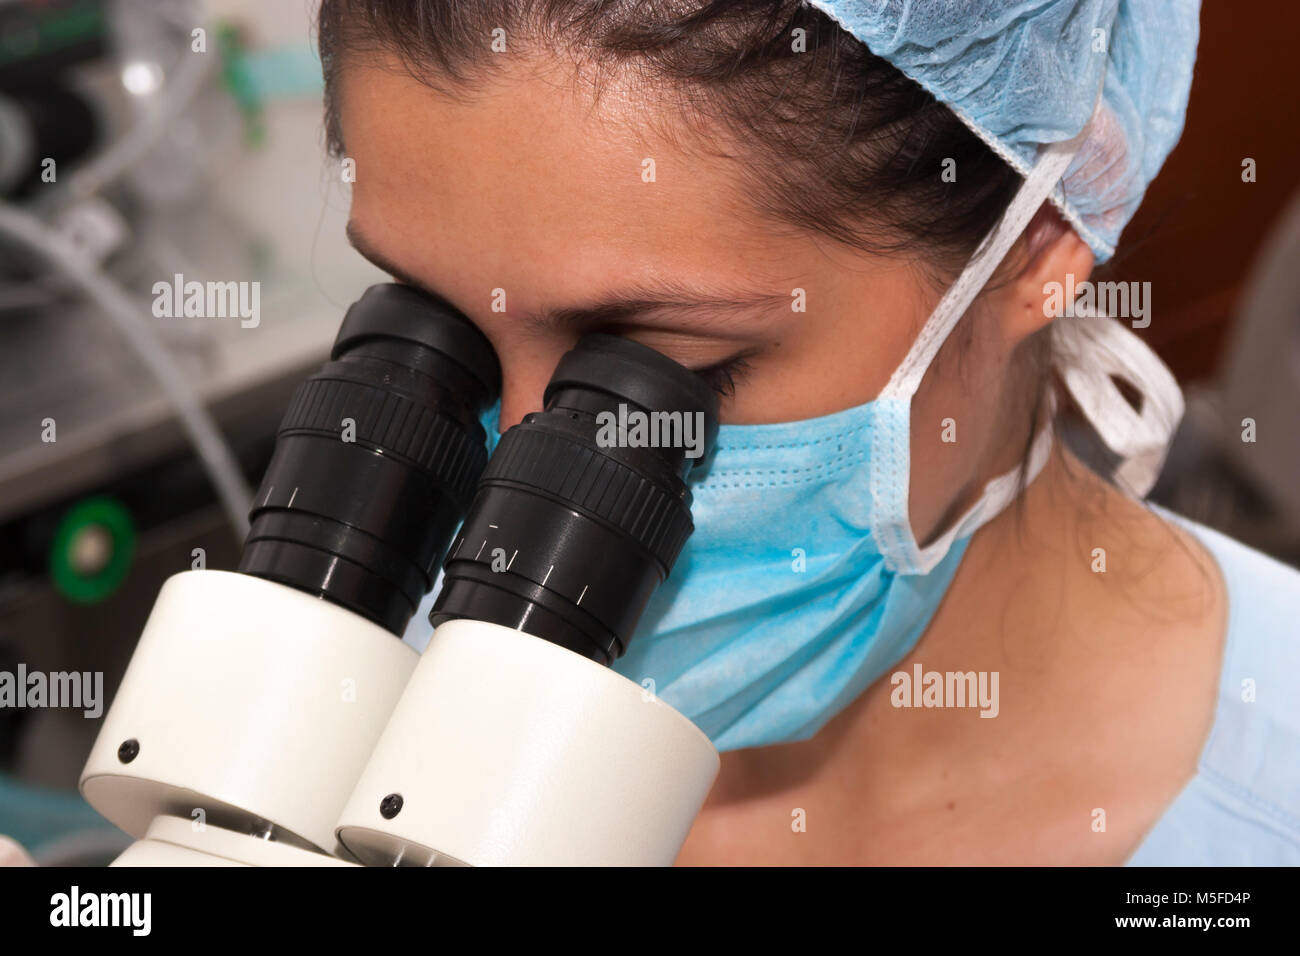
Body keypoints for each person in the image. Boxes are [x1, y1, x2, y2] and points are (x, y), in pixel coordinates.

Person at [317, 0, 1300, 864]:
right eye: (437, 328)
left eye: (664, 376)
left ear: (1038, 239)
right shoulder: (342, 685)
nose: (504, 484)